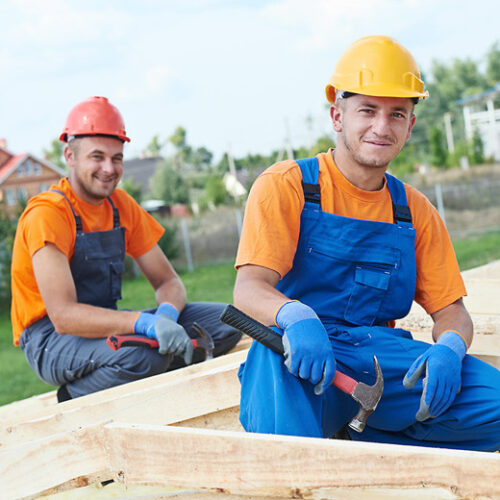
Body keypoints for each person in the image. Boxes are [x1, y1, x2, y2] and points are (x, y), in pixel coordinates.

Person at [233, 35, 500, 451]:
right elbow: (248, 288)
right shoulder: (288, 186)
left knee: (493, 401)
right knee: (274, 361)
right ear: (337, 116)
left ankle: (371, 433)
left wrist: (449, 347)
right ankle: (303, 464)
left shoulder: (414, 211)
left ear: (410, 126)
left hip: (379, 361)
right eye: (367, 110)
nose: (381, 126)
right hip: (298, 357)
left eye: (397, 114)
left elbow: (454, 313)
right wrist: (296, 317)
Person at [11, 96, 241, 402]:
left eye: (117, 158)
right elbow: (64, 316)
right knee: (143, 357)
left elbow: (168, 281)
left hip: (105, 326)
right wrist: (144, 324)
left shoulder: (121, 207)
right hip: (51, 339)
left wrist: (167, 317)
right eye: (97, 156)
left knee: (227, 322)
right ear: (70, 155)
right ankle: (74, 396)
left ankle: (146, 373)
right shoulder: (48, 214)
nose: (109, 168)